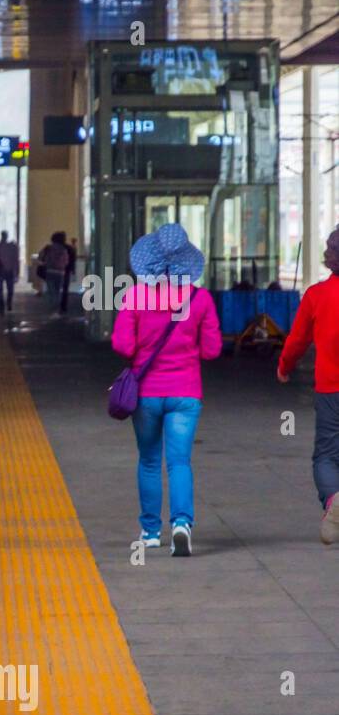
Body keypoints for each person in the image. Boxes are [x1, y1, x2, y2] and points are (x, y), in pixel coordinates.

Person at [111, 224, 220, 556]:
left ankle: (149, 531)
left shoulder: (136, 296)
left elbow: (122, 344)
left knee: (148, 461)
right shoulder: (200, 299)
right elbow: (212, 350)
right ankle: (182, 525)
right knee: (179, 462)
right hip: (186, 393)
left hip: (146, 394)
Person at [276, 225, 339, 543]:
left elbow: (297, 341)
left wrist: (284, 367)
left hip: (330, 389)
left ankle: (332, 499)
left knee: (327, 454)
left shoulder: (317, 295)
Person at [38, 232, 70, 311]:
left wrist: (46, 262)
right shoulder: (64, 249)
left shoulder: (48, 248)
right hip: (60, 272)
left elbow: (40, 257)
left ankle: (53, 307)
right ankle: (56, 308)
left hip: (50, 271)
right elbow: (66, 261)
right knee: (57, 291)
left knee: (51, 291)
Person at [0, 231, 19, 314]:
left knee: (0, 290)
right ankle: (8, 303)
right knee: (9, 289)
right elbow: (16, 260)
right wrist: (16, 273)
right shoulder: (12, 247)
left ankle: (2, 306)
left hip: (1, 271)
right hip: (8, 271)